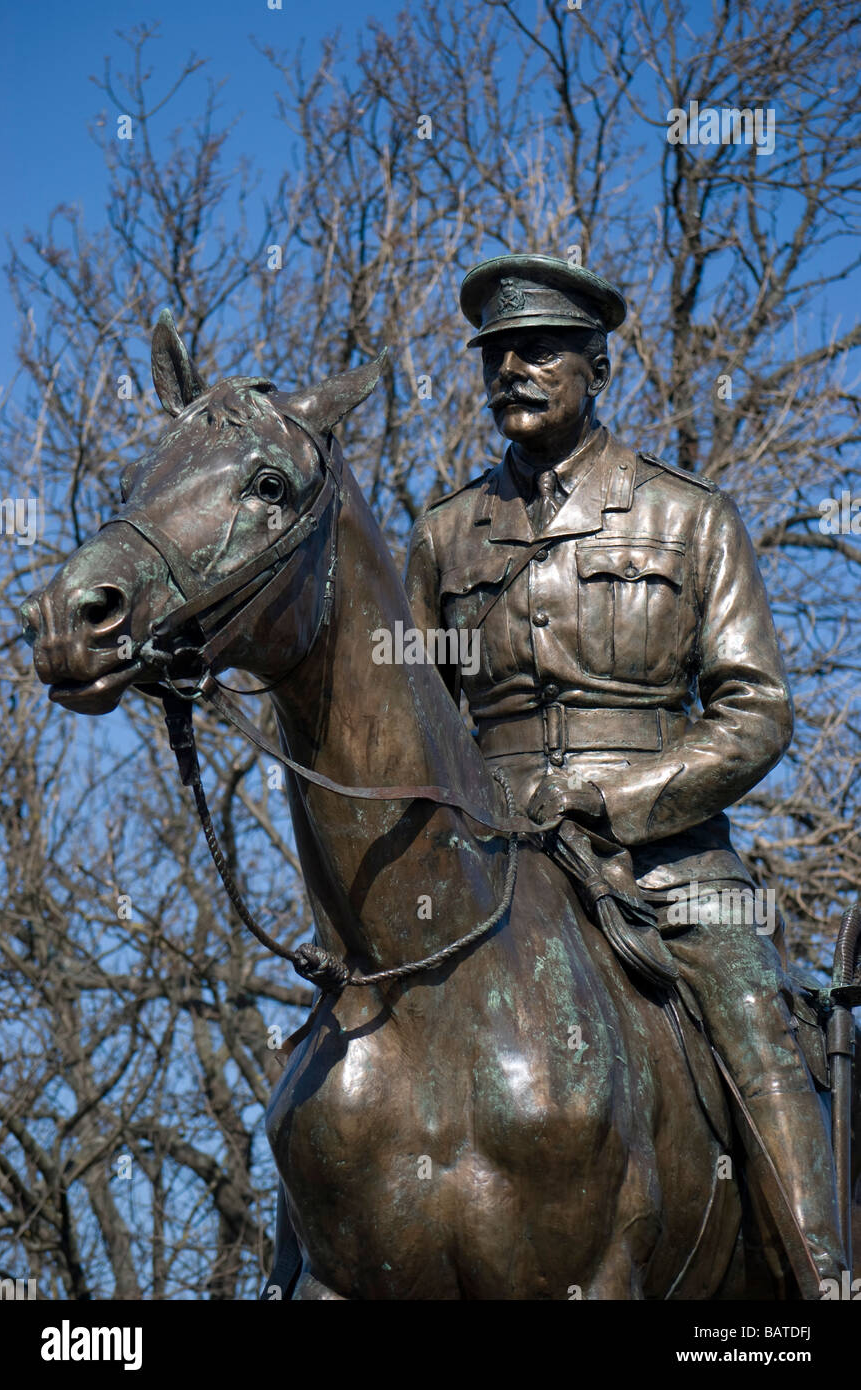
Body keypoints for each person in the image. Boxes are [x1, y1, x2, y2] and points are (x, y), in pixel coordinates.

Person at [404, 253, 847, 1295]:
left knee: (756, 1015)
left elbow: (757, 712)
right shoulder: (440, 537)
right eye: (497, 352)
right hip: (493, 856)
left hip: (664, 860)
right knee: (347, 1030)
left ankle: (821, 1273)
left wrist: (612, 797)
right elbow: (417, 725)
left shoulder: (689, 519)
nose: (514, 367)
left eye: (541, 349)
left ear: (598, 366)